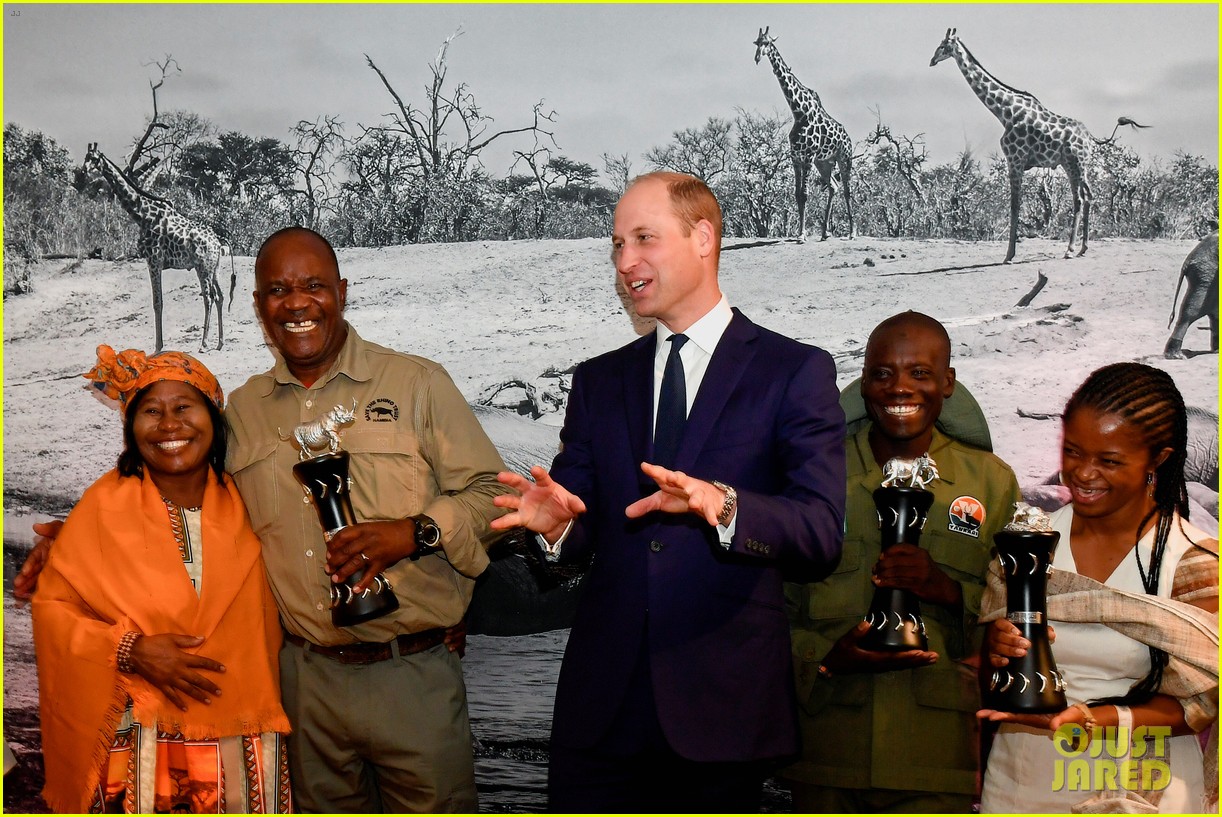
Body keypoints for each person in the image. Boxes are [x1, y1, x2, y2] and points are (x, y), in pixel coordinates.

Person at [23, 227, 511, 812]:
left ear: (342, 291)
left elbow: (493, 495)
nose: (296, 303)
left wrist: (414, 532)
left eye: (313, 286)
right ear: (258, 307)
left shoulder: (417, 384)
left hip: (411, 673)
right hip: (300, 684)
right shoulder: (244, 411)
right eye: (277, 289)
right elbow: (182, 496)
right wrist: (72, 543)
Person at [491, 172, 846, 811]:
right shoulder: (600, 381)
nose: (626, 262)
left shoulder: (794, 371)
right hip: (600, 715)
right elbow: (585, 521)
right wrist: (557, 528)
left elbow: (820, 534)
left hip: (722, 712)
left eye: (644, 239)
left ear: (702, 237)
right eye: (618, 245)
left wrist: (726, 506)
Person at [780, 311, 1022, 812]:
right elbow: (767, 606)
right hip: (827, 749)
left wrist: (947, 590)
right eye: (883, 373)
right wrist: (823, 659)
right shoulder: (815, 475)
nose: (899, 388)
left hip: (936, 756)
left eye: (920, 373)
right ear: (863, 381)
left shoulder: (991, 483)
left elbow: (1012, 620)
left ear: (948, 382)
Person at [32, 346, 291, 813]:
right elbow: (53, 608)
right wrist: (130, 649)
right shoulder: (101, 509)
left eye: (184, 407)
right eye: (151, 411)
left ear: (214, 419)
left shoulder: (252, 501)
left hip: (241, 735)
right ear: (131, 428)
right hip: (135, 742)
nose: (169, 425)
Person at [979, 362, 1218, 813]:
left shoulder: (1192, 562)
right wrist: (995, 646)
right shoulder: (1026, 545)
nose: (1083, 474)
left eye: (1109, 461)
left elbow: (1202, 704)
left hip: (1142, 790)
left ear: (1159, 460)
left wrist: (1094, 719)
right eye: (1072, 452)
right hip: (1022, 782)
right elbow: (988, 672)